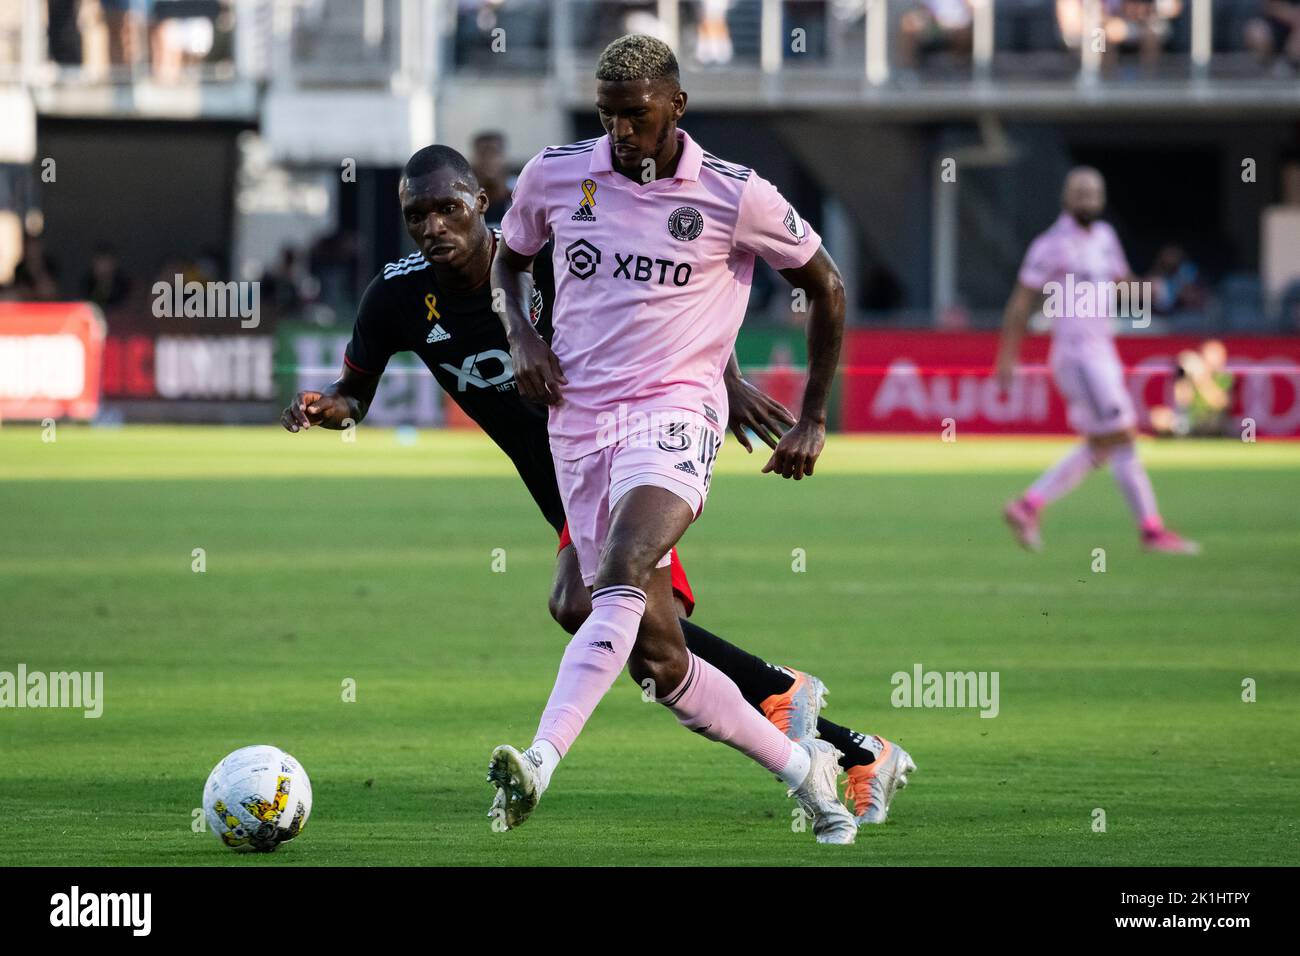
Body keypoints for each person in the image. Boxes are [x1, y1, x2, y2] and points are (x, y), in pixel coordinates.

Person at [281, 143, 914, 836]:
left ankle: (783, 728)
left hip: (630, 447)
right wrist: (328, 408)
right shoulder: (397, 296)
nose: (433, 226)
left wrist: (725, 382)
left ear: (481, 208)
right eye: (416, 215)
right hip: (565, 483)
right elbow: (355, 391)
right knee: (650, 643)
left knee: (586, 601)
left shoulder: (552, 256)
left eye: (447, 209)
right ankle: (836, 739)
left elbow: (667, 297)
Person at [488, 34, 907, 843]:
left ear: (677, 106)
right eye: (608, 117)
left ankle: (539, 760)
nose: (621, 134)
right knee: (650, 651)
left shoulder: (733, 194)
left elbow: (826, 285)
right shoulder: (555, 174)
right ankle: (813, 770)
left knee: (620, 569)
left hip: (675, 414)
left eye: (636, 117)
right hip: (577, 422)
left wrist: (814, 414)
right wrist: (522, 339)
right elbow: (509, 263)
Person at [996, 166, 1199, 554]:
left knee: (1103, 445)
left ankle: (1028, 506)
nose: (1088, 200)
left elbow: (1123, 285)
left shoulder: (1105, 237)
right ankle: (1151, 532)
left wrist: (1156, 284)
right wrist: (1007, 357)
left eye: (1094, 193)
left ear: (1102, 199)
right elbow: (1021, 303)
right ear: (1066, 198)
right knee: (1123, 437)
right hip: (1077, 355)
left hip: (1103, 351)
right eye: (1081, 193)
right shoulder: (1049, 245)